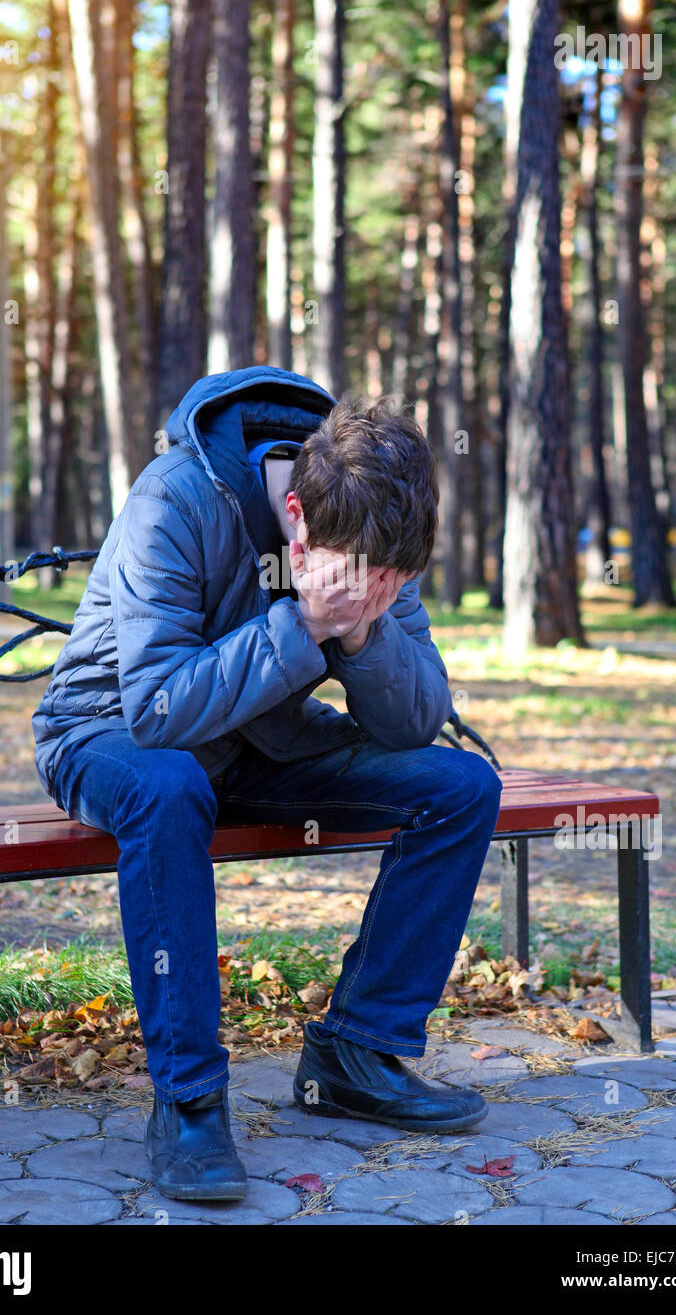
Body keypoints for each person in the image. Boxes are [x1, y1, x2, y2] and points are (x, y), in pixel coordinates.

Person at [32, 365, 502, 1202]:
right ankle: (189, 1105)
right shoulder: (175, 497)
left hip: (262, 740)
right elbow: (156, 709)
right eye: (364, 575)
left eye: (393, 582)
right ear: (297, 516)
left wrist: (366, 637)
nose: (379, 589)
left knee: (459, 784)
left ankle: (359, 1050)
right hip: (106, 733)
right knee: (171, 786)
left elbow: (415, 718)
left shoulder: (377, 518)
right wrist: (303, 622)